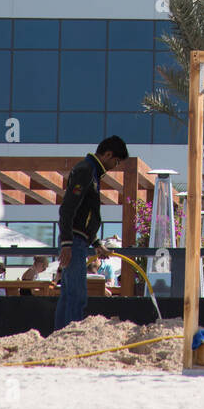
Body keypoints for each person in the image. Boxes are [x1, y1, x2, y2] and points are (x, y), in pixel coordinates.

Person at [54, 135, 129, 331]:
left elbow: (82, 214)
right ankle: (70, 335)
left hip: (78, 240)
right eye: (116, 161)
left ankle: (60, 334)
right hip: (74, 241)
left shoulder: (91, 171)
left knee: (69, 293)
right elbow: (67, 208)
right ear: (108, 154)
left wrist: (95, 242)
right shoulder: (86, 170)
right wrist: (67, 244)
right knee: (76, 294)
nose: (115, 165)